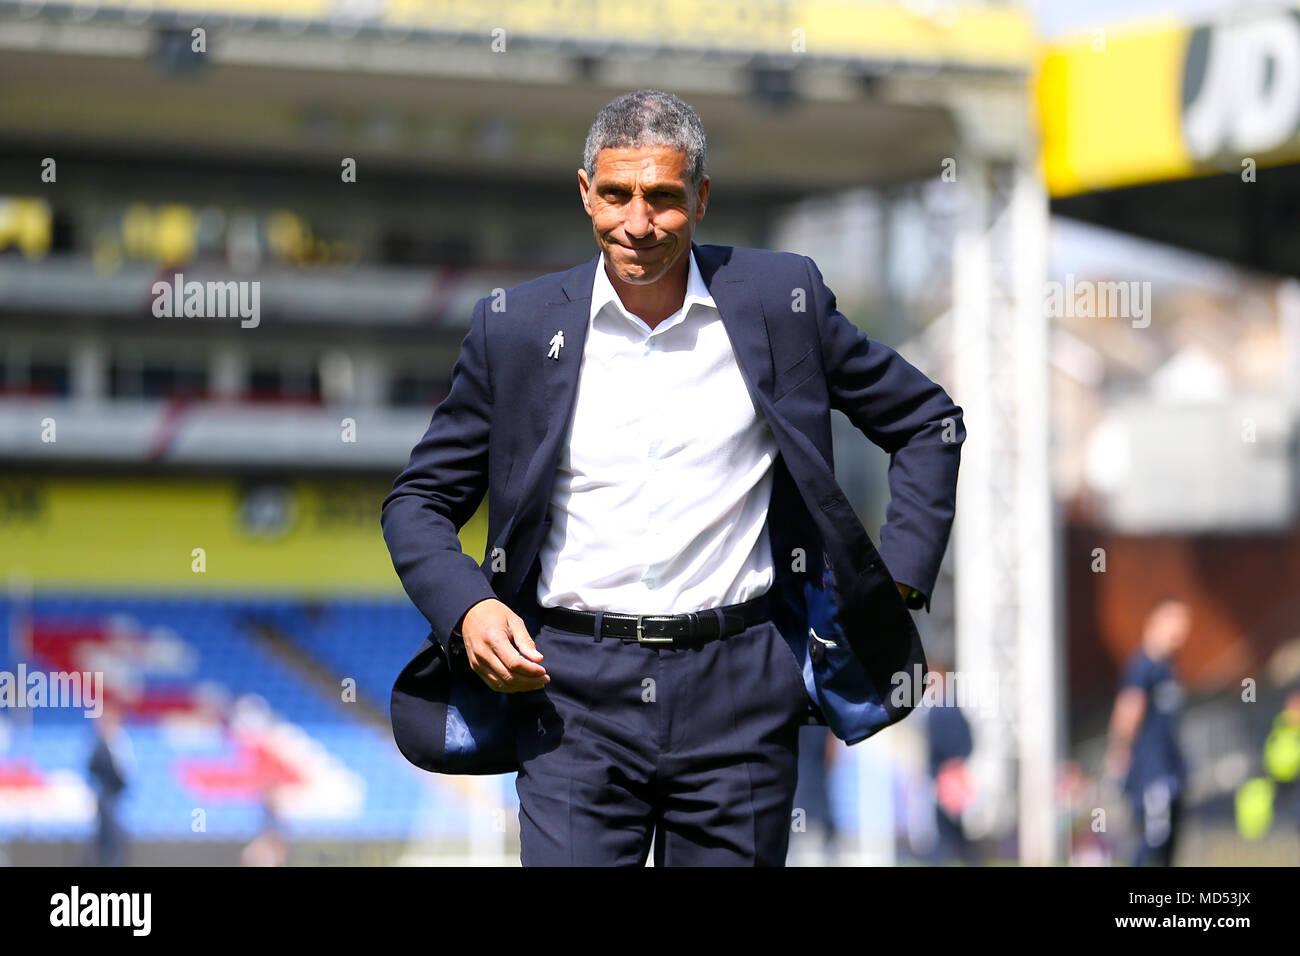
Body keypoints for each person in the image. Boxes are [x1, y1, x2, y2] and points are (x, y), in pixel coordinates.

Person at [383, 89, 965, 866]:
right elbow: (419, 501)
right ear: (585, 190)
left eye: (663, 197)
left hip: (741, 693)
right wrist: (470, 609)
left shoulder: (780, 302)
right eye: (617, 194)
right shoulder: (513, 328)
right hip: (569, 696)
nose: (638, 222)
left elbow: (929, 422)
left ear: (702, 196)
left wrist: (894, 584)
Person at [1104, 598, 1191, 867]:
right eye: (1174, 619)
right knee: (1154, 839)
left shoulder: (1169, 667)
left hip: (1170, 767)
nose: (1181, 628)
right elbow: (1128, 711)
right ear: (1154, 622)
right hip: (1151, 770)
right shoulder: (1143, 666)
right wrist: (1119, 752)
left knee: (1168, 843)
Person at [87, 706, 133, 866]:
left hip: (113, 796)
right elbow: (93, 767)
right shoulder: (100, 745)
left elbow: (125, 772)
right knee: (106, 837)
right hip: (105, 796)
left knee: (112, 837)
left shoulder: (118, 742)